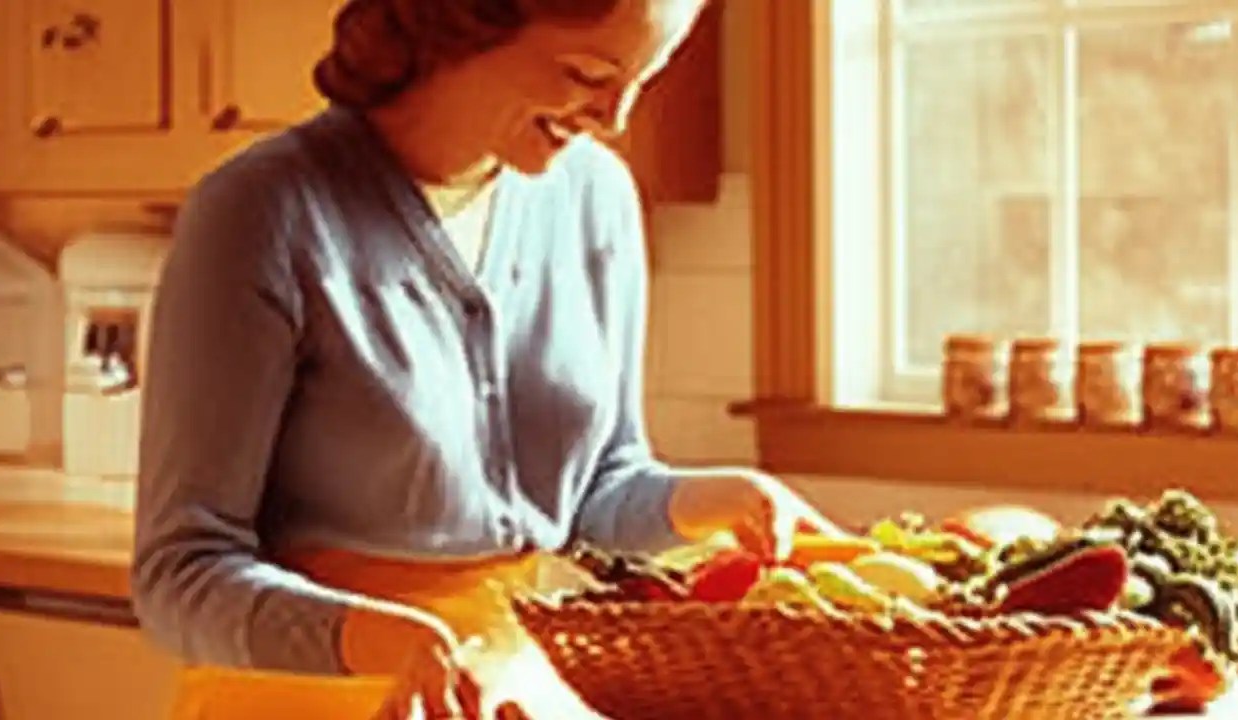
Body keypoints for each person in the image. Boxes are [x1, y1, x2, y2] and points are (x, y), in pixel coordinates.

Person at [132, 0, 833, 717]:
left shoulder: (597, 199)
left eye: (642, 81)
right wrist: (379, 639)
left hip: (506, 683)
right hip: (307, 692)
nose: (615, 118)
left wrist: (716, 499)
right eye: (587, 72)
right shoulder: (264, 211)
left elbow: (591, 492)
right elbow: (180, 574)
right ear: (466, 23)